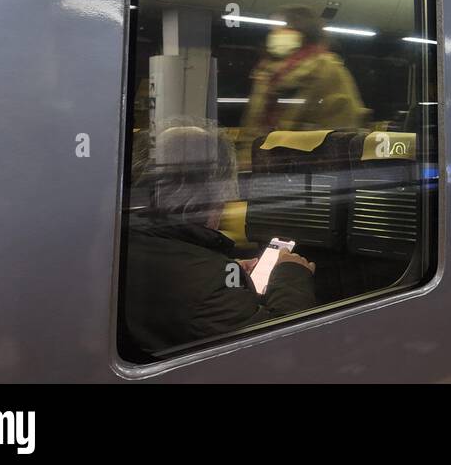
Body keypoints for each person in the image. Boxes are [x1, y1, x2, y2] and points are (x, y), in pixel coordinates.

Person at [122, 123, 317, 357]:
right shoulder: (209, 283)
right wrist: (291, 275)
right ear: (209, 193)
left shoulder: (121, 243)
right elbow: (282, 349)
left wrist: (233, 273)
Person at [243, 5, 370, 141]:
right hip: (263, 154)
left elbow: (344, 125)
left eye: (285, 27)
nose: (276, 33)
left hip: (303, 157)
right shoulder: (267, 72)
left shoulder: (328, 69)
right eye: (275, 28)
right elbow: (253, 123)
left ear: (303, 31)